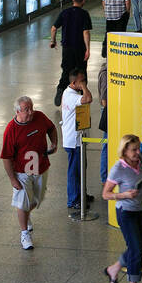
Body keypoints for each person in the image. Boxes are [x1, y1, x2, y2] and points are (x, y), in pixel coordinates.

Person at [0, 96, 57, 250]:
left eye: (31, 108)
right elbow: (6, 157)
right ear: (18, 111)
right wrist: (13, 179)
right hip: (22, 171)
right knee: (22, 202)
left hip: (41, 166)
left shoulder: (39, 117)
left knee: (37, 199)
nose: (31, 112)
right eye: (27, 109)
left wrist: (54, 143)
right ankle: (24, 233)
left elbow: (51, 128)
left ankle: (26, 214)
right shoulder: (11, 130)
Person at [103, 134, 142, 283]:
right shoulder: (118, 169)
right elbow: (105, 194)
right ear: (124, 151)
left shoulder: (139, 160)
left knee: (135, 247)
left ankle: (113, 269)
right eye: (134, 150)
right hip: (126, 213)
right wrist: (124, 195)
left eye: (138, 148)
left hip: (140, 210)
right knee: (136, 250)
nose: (138, 152)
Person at [59, 68, 93, 211]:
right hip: (74, 141)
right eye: (82, 80)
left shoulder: (70, 93)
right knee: (74, 172)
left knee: (80, 168)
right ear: (74, 83)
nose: (84, 82)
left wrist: (82, 85)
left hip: (76, 139)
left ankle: (81, 194)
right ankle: (73, 200)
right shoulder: (71, 96)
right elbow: (88, 98)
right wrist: (84, 87)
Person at [50, 0, 91, 107]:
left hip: (67, 48)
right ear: (83, 1)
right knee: (81, 71)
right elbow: (86, 32)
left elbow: (53, 28)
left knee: (66, 71)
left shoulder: (64, 12)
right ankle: (83, 95)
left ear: (73, 0)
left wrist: (53, 41)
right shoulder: (84, 14)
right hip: (80, 48)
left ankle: (61, 89)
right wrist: (88, 49)